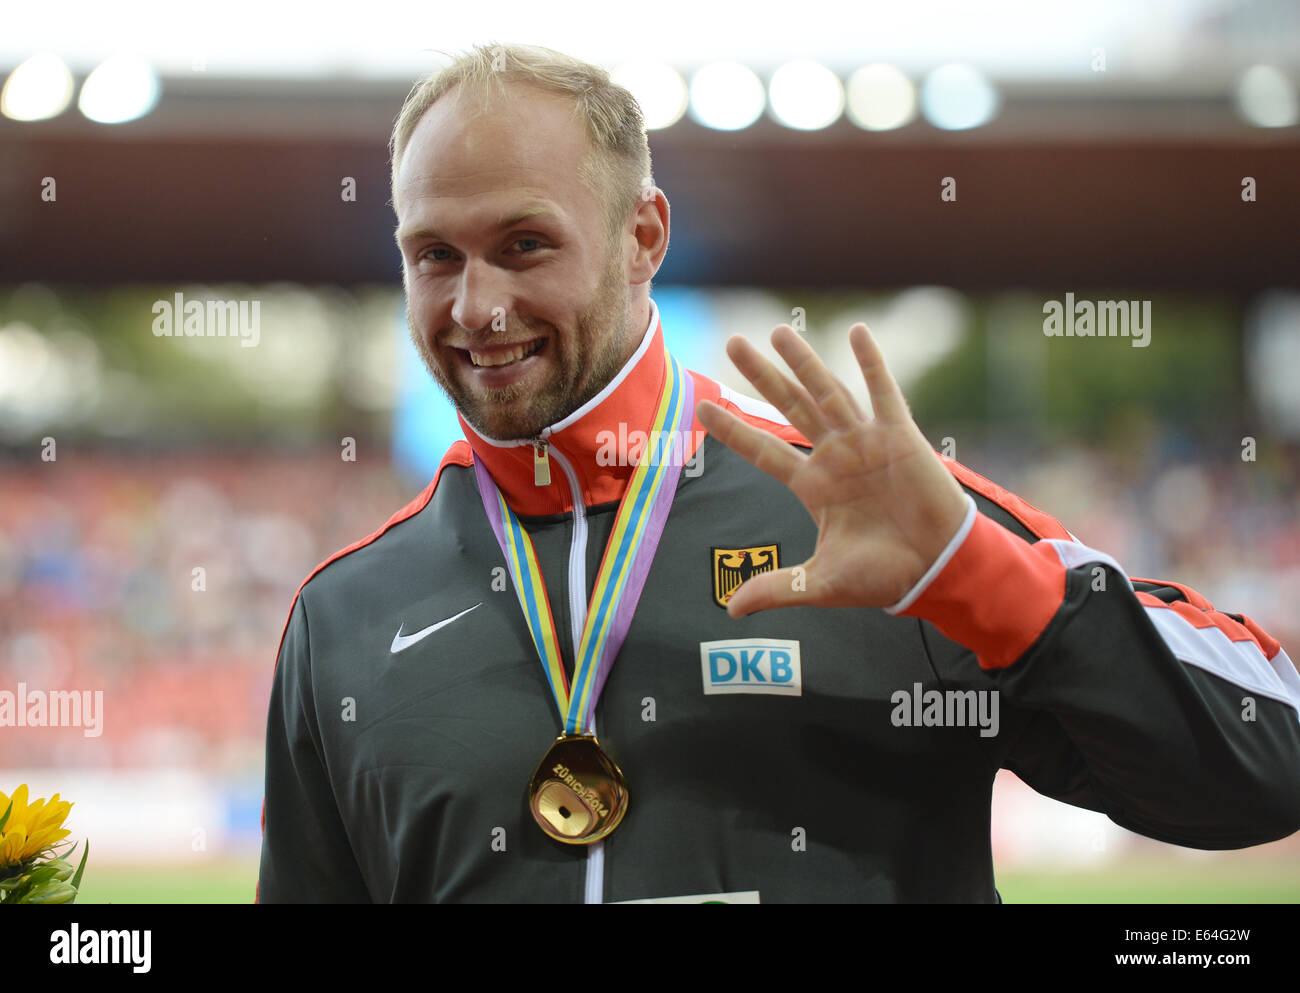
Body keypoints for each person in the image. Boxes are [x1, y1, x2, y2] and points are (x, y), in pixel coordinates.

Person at [255, 44, 1300, 903]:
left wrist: (985, 584)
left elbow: (1271, 764)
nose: (475, 305)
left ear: (641, 238)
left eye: (524, 245)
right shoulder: (344, 615)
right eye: (433, 254)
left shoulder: (882, 523)